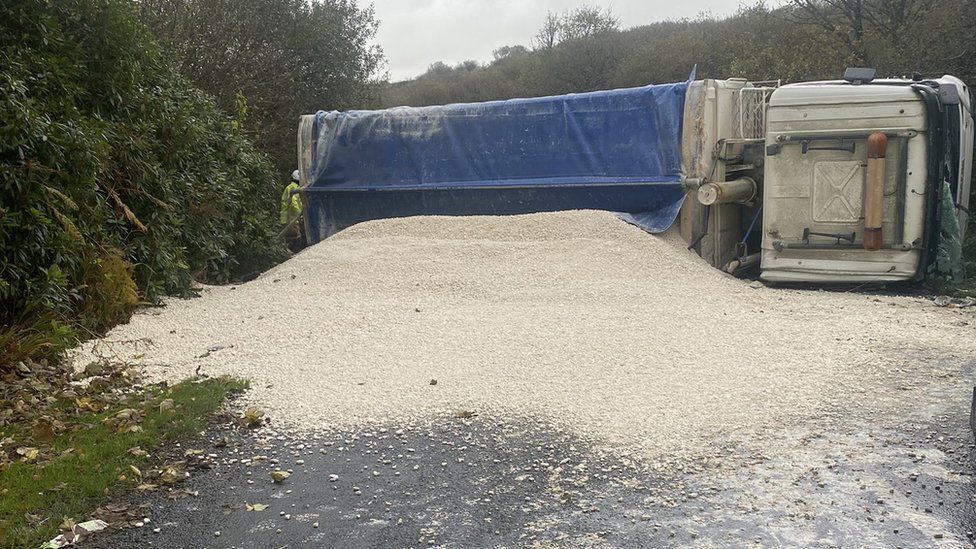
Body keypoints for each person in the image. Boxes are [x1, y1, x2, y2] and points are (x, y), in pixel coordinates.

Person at [280, 170, 304, 251]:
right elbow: (294, 203)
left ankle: (289, 251)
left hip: (287, 216)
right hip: (291, 216)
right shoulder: (294, 188)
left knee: (290, 235)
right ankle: (294, 251)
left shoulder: (290, 187)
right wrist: (300, 213)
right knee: (295, 235)